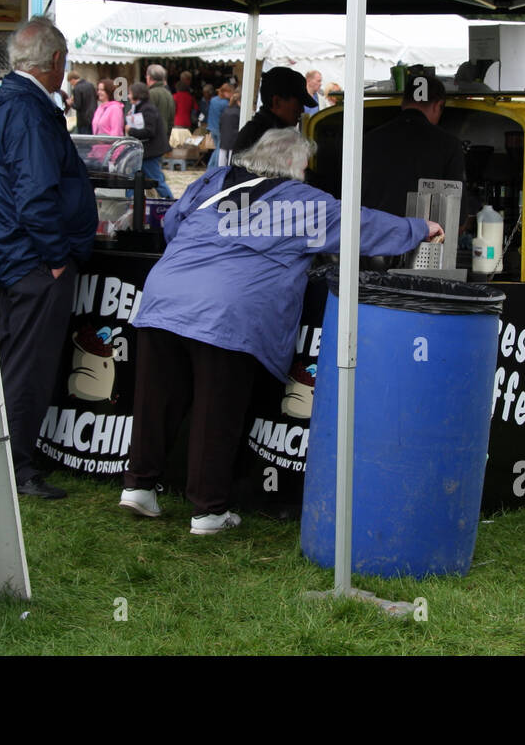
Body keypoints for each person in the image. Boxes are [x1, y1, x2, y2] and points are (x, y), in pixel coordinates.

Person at [119, 129, 442, 533]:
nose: (308, 175)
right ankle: (208, 511)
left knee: (157, 400)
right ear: (293, 167)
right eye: (306, 167)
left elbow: (171, 224)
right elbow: (359, 225)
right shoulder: (300, 200)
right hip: (228, 312)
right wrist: (418, 228)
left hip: (164, 298)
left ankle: (139, 487)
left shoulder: (212, 180)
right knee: (215, 413)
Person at [0, 18, 98, 499]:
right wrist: (56, 258)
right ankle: (16, 467)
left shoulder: (17, 105)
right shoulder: (27, 110)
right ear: (54, 61)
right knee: (28, 364)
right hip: (34, 260)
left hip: (20, 256)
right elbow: (35, 196)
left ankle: (5, 455)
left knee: (17, 360)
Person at [360, 73, 466, 217]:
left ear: (403, 102)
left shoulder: (368, 140)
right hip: (421, 234)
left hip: (373, 233)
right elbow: (456, 213)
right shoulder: (450, 145)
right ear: (438, 105)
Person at [231, 66, 316, 154]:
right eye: (299, 104)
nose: (302, 110)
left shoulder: (258, 131)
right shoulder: (268, 138)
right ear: (277, 102)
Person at [126, 81, 174, 199]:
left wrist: (130, 130)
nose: (128, 96)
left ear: (137, 94)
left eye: (130, 93)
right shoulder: (139, 108)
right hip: (142, 152)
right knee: (132, 178)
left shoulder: (147, 109)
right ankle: (131, 203)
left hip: (150, 152)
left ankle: (171, 201)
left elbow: (149, 131)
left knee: (157, 180)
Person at [204, 82, 232, 171]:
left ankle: (212, 168)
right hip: (220, 129)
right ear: (225, 92)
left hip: (212, 127)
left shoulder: (213, 100)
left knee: (217, 149)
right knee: (219, 151)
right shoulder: (225, 103)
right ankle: (212, 168)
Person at [66, 69, 97, 134]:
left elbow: (78, 106)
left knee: (84, 141)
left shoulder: (77, 88)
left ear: (72, 80)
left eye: (70, 82)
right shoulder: (90, 85)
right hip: (94, 116)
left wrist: (70, 103)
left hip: (83, 119)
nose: (71, 84)